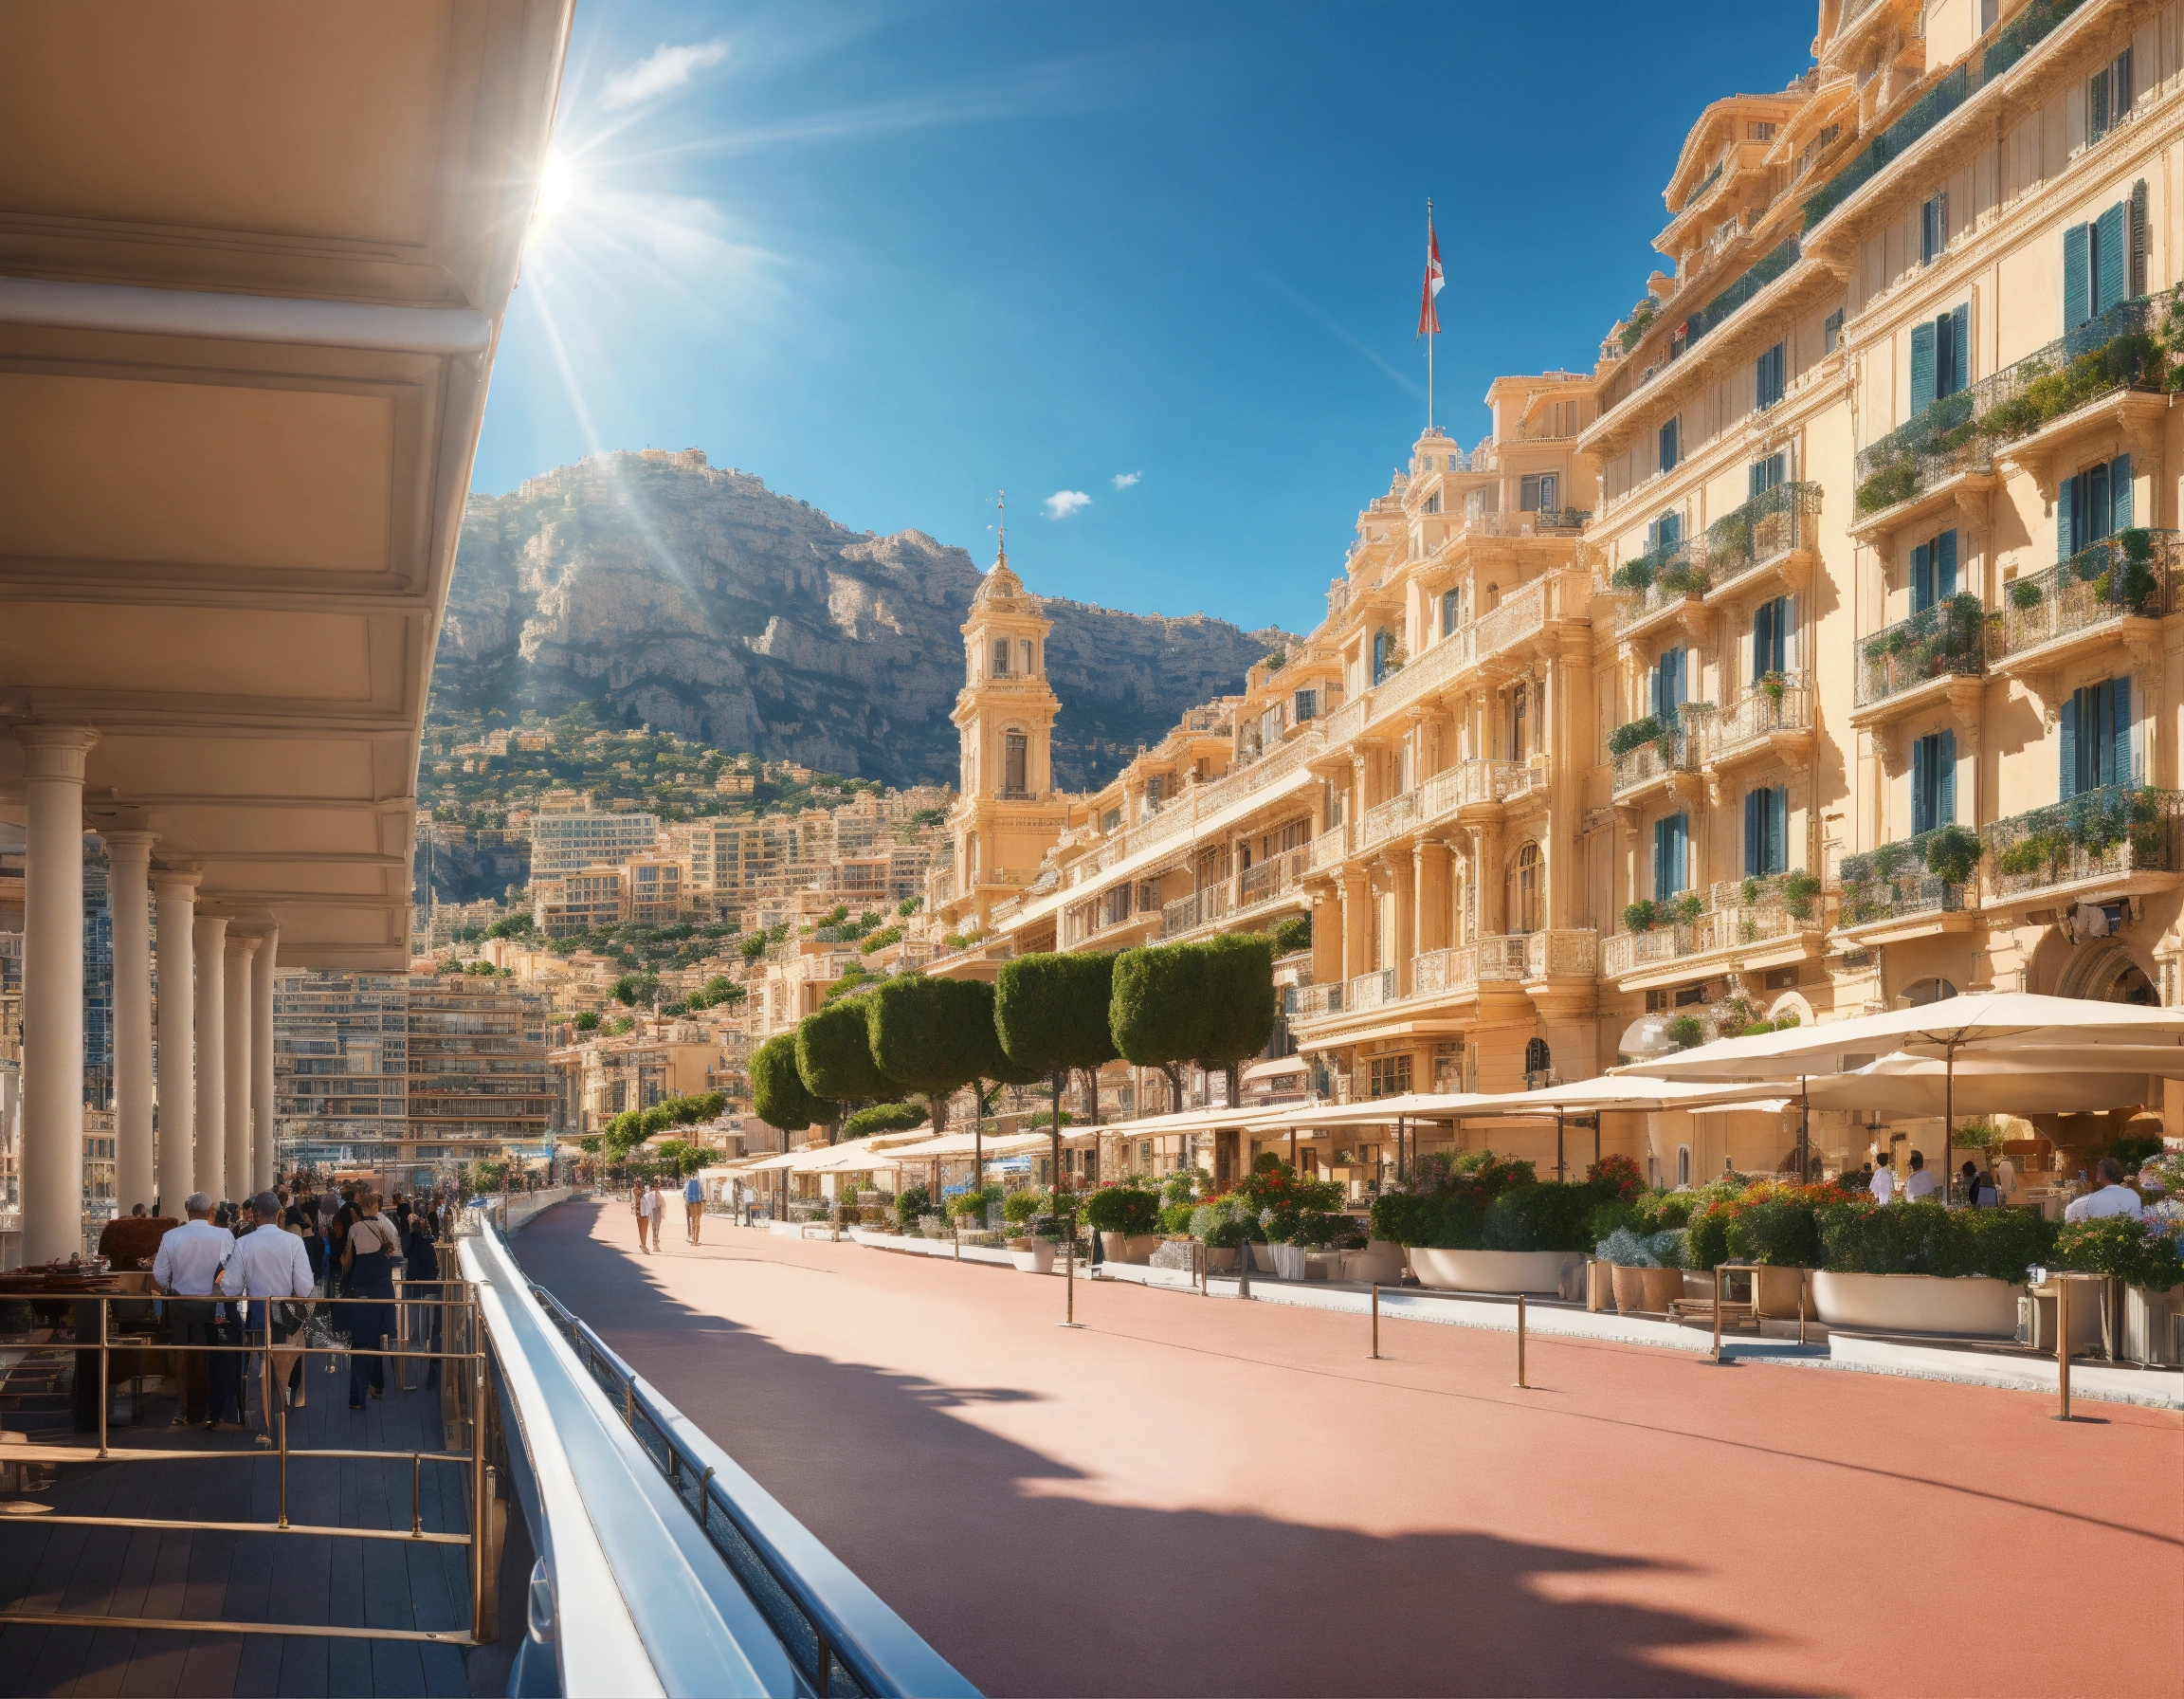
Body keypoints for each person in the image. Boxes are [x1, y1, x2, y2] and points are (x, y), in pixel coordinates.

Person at [225, 1190, 315, 1433]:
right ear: (279, 1214)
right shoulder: (294, 1242)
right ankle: (282, 1404)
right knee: (282, 1361)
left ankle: (261, 1410)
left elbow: (231, 1287)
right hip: (284, 1314)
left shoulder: (243, 1243)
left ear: (254, 1216)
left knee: (259, 1363)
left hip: (257, 1314)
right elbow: (305, 1288)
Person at [152, 1193, 238, 1430]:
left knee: (184, 1357)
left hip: (182, 1305)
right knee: (214, 1355)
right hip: (214, 1304)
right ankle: (215, 1406)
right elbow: (232, 1271)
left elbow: (159, 1275)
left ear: (186, 1208)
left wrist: (173, 1285)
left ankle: (187, 1406)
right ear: (211, 1210)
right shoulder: (223, 1235)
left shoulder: (171, 1236)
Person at [340, 1191, 403, 1411]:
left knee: (361, 1342)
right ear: (377, 1205)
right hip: (385, 1288)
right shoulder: (388, 1227)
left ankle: (357, 1398)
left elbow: (347, 1261)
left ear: (360, 1206)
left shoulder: (355, 1229)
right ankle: (378, 1385)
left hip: (363, 1290)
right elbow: (396, 1255)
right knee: (379, 1339)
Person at [402, 1207, 444, 1390]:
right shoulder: (429, 1244)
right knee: (426, 1313)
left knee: (415, 1311)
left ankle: (415, 1339)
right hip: (427, 1284)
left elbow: (405, 1253)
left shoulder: (411, 1242)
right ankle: (422, 1340)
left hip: (413, 1282)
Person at [2065, 1156, 2146, 1222]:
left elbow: (2071, 1213)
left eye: (2098, 1171)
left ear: (2101, 1174)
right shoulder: (2133, 1195)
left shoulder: (2090, 1200)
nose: (2096, 1174)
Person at [635, 1179, 658, 1253]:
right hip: (641, 1213)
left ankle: (643, 1244)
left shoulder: (644, 1195)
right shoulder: (641, 1194)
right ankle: (643, 1244)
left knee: (643, 1230)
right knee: (643, 1230)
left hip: (642, 1213)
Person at [684, 1170, 705, 1245]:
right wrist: (703, 1198)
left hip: (690, 1202)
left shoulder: (688, 1182)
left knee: (692, 1220)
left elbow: (685, 1193)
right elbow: (702, 1192)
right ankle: (695, 1239)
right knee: (697, 1220)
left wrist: (686, 1200)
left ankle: (693, 1238)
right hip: (697, 1202)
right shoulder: (698, 1182)